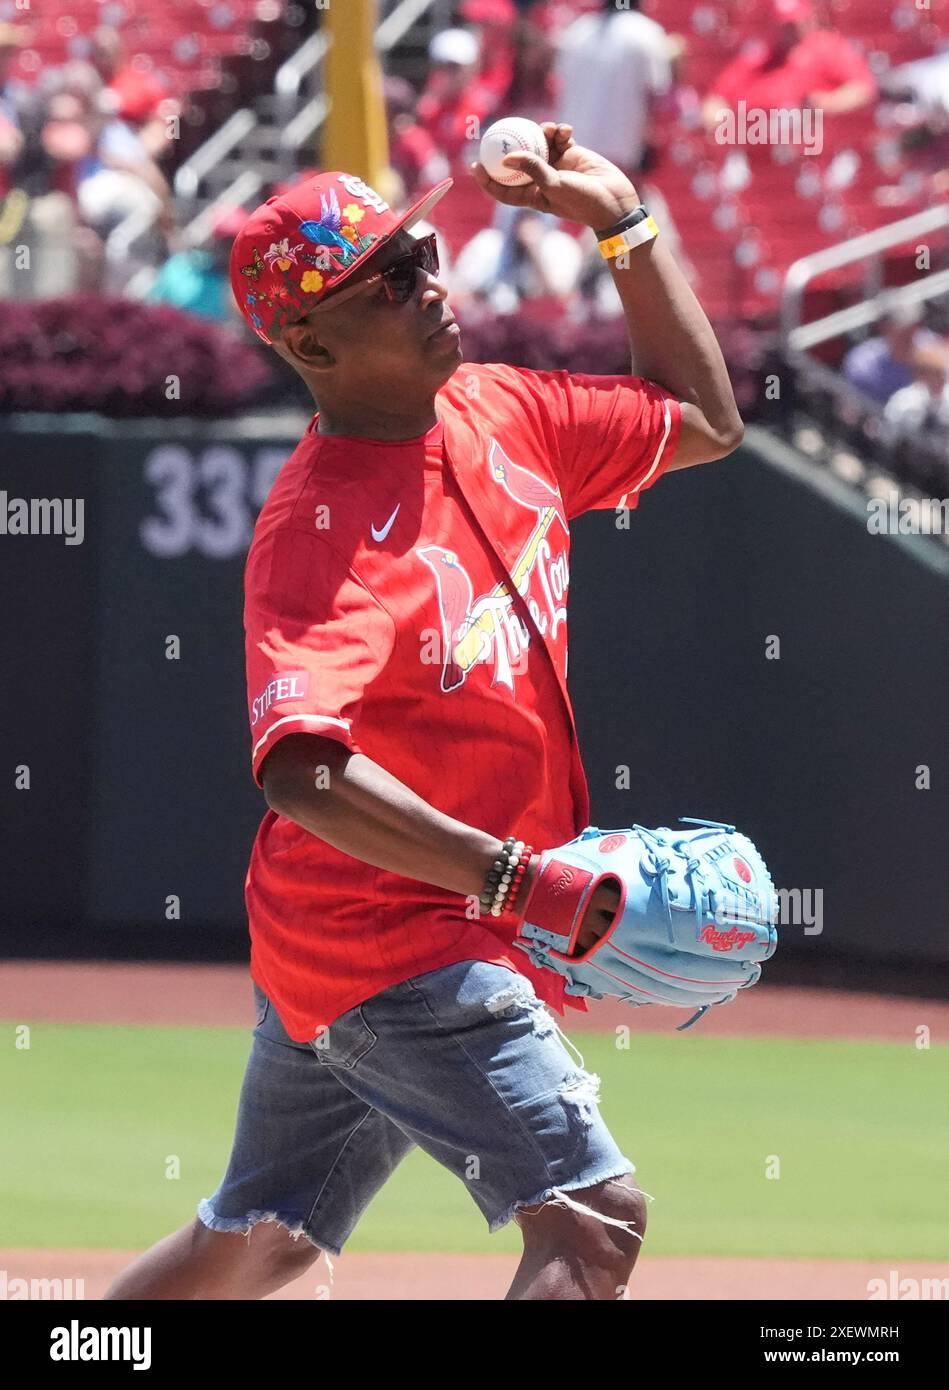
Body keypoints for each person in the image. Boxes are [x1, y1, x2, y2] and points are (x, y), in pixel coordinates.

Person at [104, 124, 744, 1301]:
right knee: (594, 1222)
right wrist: (511, 879)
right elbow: (301, 770)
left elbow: (705, 422)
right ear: (311, 340)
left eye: (425, 253)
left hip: (381, 929)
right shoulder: (318, 533)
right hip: (392, 935)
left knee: (263, 1239)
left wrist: (621, 221)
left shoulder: (507, 411)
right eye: (392, 280)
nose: (432, 286)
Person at [702, 0, 876, 128]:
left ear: (807, 18)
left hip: (810, 139)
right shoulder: (761, 54)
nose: (790, 29)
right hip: (757, 140)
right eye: (785, 24)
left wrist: (826, 103)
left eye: (794, 22)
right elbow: (716, 100)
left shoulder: (826, 47)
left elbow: (863, 88)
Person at [553, 0, 671, 179]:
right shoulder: (647, 32)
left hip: (571, 155)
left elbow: (557, 85)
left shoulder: (578, 30)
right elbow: (658, 94)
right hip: (621, 160)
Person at [842, 304, 940, 406]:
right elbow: (852, 410)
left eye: (914, 325)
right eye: (901, 325)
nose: (910, 331)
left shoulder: (933, 346)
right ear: (884, 328)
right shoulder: (862, 364)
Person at [884, 342, 949, 437]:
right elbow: (890, 433)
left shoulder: (947, 396)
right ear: (920, 375)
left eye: (942, 374)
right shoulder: (903, 401)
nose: (941, 379)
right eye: (935, 374)